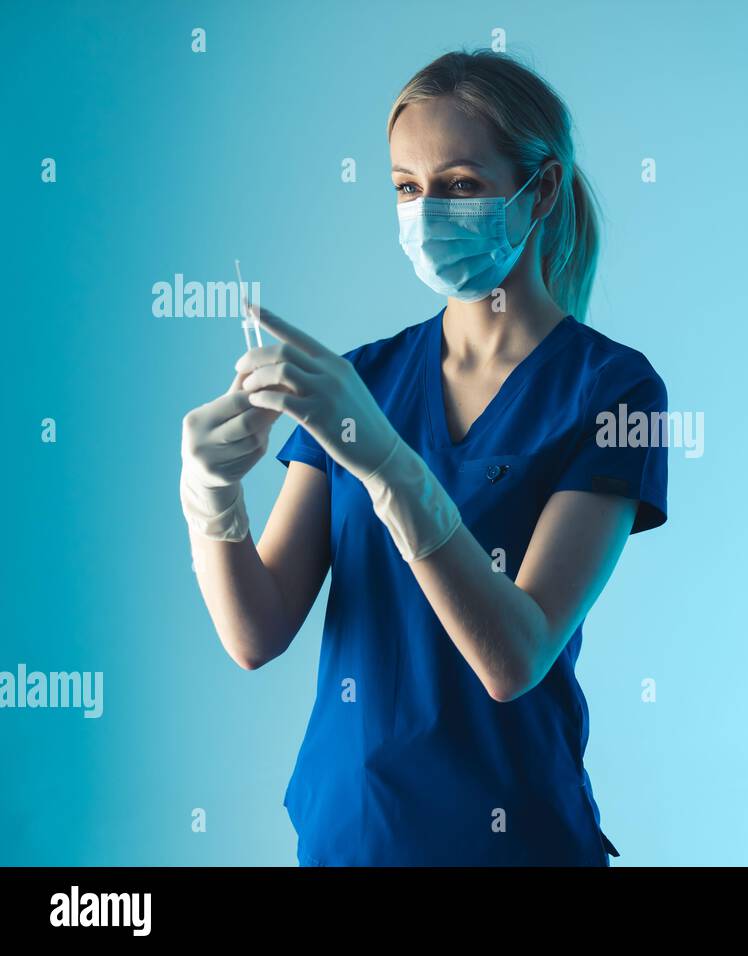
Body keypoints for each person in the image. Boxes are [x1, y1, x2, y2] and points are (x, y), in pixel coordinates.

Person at [177, 49, 668, 866]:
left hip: (515, 839)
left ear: (539, 191)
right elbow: (256, 630)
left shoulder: (614, 391)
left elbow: (515, 657)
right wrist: (209, 496)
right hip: (352, 831)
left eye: (463, 184)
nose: (428, 211)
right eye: (407, 187)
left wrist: (388, 464)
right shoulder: (362, 380)